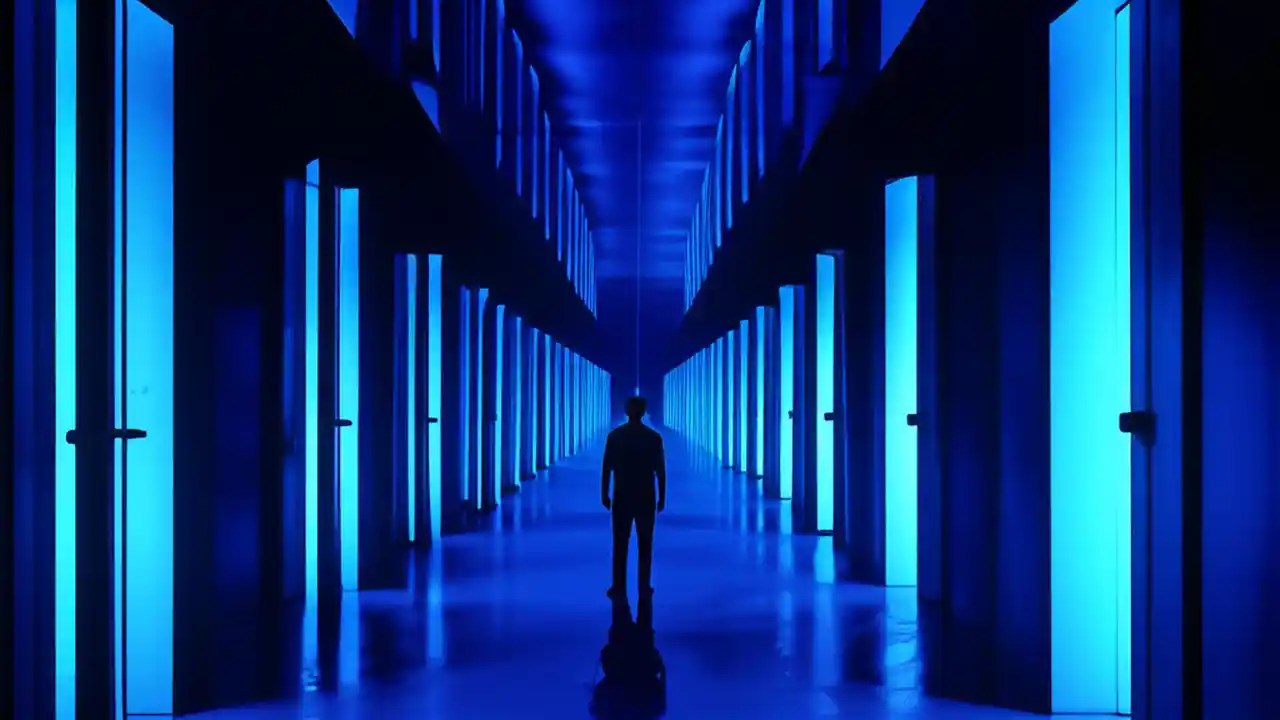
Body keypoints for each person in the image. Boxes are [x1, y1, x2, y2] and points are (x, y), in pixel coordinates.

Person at [601, 396, 666, 599]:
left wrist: (604, 493)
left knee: (620, 542)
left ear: (627, 411)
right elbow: (660, 471)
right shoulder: (654, 438)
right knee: (645, 542)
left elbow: (606, 468)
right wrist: (662, 497)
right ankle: (644, 585)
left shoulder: (615, 436)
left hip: (622, 494)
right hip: (646, 495)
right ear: (644, 412)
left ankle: (618, 585)